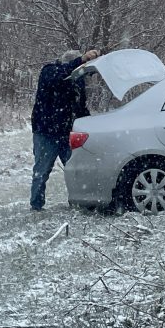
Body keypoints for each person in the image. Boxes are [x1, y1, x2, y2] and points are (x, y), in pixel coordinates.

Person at [30, 48, 100, 211]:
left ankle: (80, 202)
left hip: (67, 133)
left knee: (75, 170)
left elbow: (80, 107)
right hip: (45, 132)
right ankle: (36, 205)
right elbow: (59, 75)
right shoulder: (49, 71)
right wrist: (81, 60)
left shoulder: (78, 80)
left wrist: (90, 125)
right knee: (41, 171)